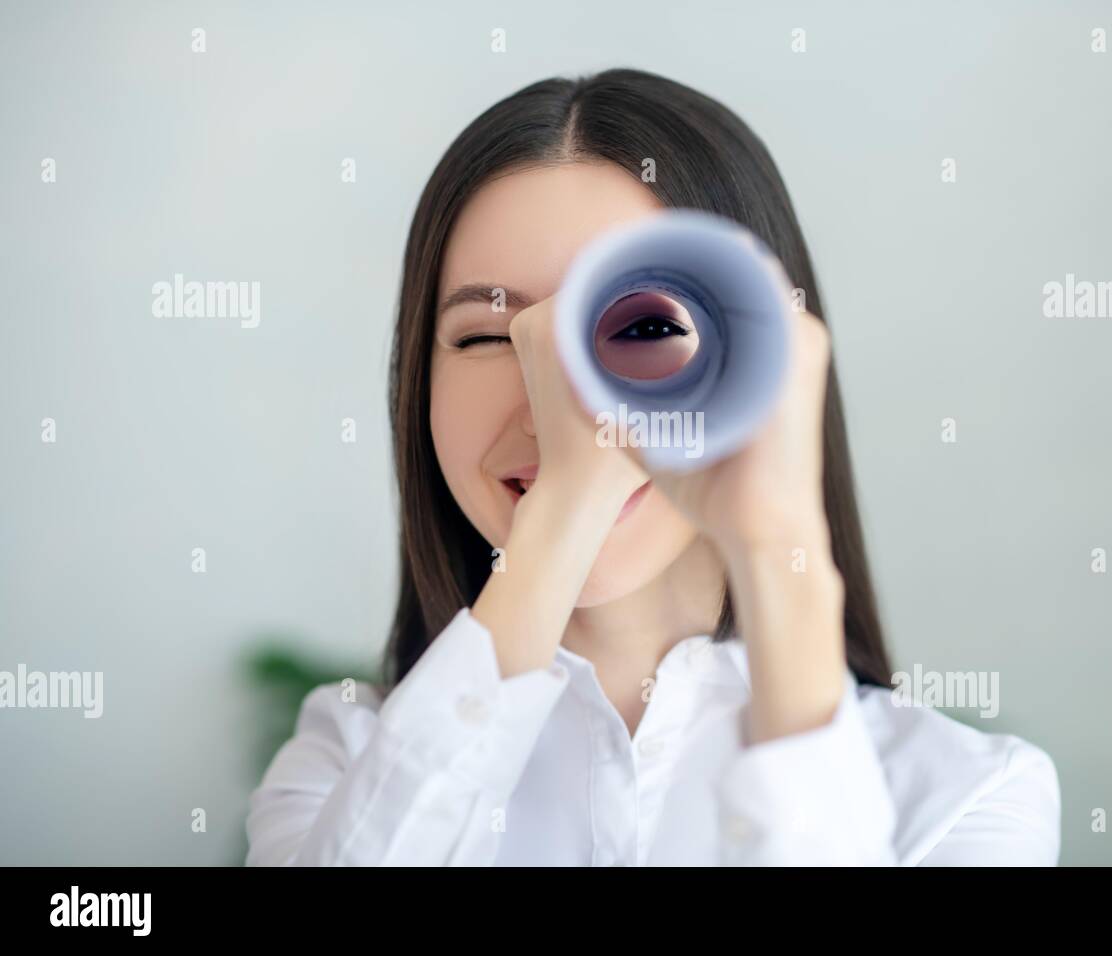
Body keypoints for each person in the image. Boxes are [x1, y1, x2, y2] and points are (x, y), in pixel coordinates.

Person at [244, 68, 1060, 866]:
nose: (557, 409)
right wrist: (561, 517)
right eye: (488, 337)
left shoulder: (967, 799)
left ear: (755, 358)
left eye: (636, 327)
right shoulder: (342, 768)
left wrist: (780, 551)